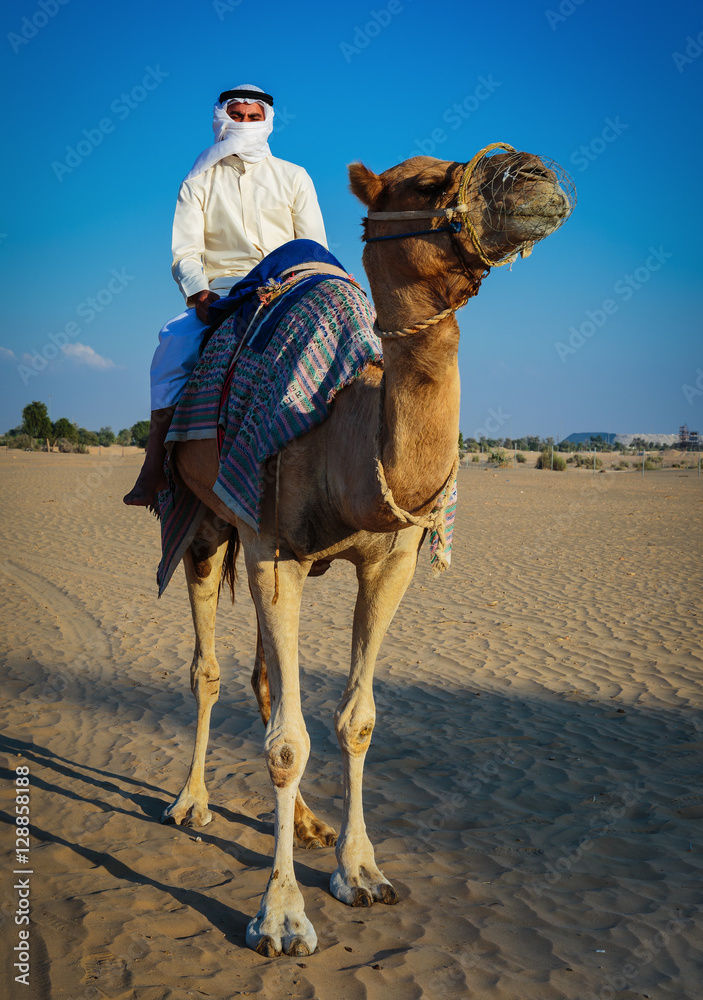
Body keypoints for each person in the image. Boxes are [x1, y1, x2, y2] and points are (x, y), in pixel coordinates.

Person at [124, 84, 327, 506]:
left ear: (268, 121)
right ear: (222, 119)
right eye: (238, 116)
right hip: (221, 293)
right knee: (173, 344)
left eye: (254, 118)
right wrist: (198, 293)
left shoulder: (294, 176)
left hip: (285, 286)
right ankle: (154, 465)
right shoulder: (198, 180)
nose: (246, 125)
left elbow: (314, 246)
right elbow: (185, 251)